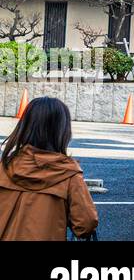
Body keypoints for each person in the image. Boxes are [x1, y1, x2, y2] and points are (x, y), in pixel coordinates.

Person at [0, 96, 98, 241]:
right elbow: (86, 223)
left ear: (25, 126)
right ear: (62, 131)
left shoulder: (4, 167)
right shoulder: (68, 173)